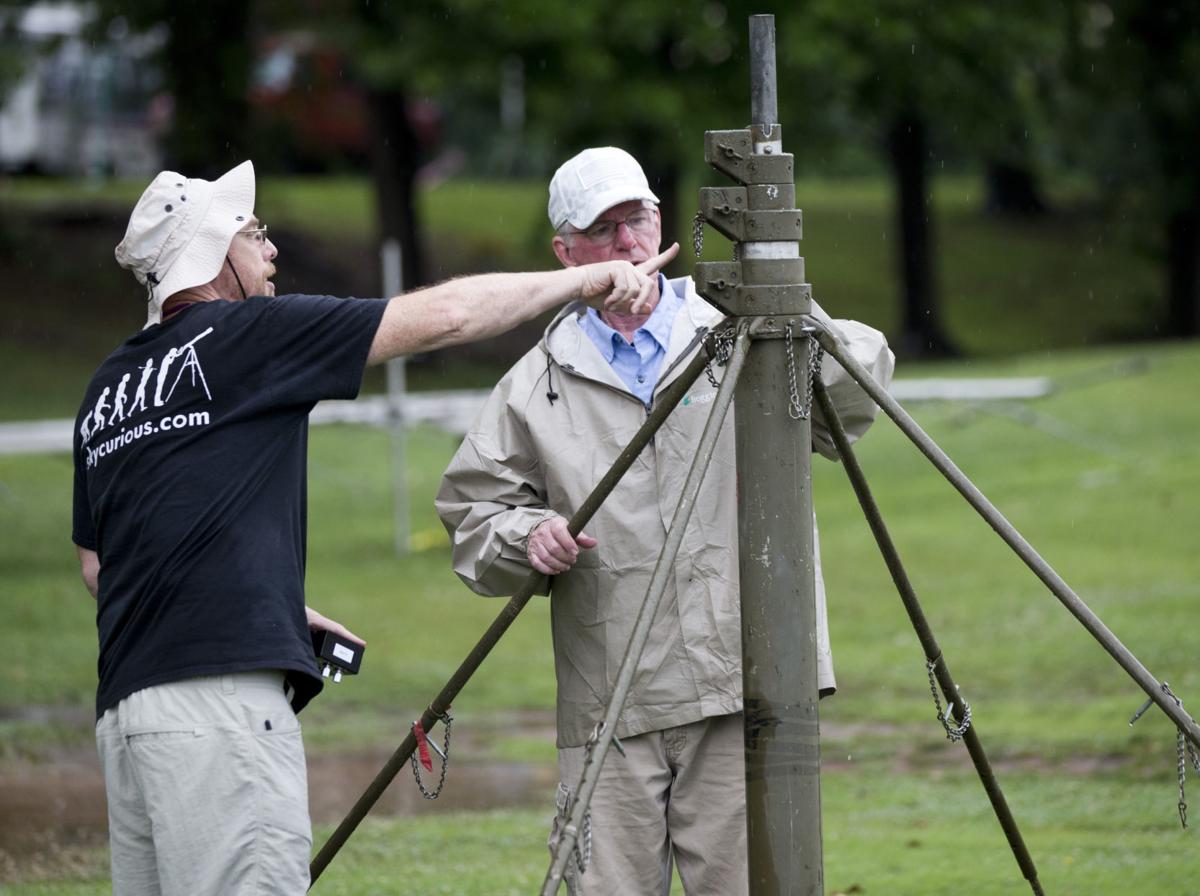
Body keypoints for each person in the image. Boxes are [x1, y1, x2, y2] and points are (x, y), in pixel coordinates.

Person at [71, 159, 676, 896]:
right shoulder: (246, 335)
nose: (271, 252)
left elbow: (102, 565)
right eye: (253, 234)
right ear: (214, 255)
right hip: (219, 709)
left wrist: (264, 603)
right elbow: (446, 317)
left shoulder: (109, 386)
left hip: (127, 717)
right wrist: (588, 281)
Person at [436, 147, 895, 895]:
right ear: (565, 253)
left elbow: (857, 396)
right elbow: (472, 515)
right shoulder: (535, 382)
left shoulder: (742, 326)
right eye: (603, 228)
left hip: (743, 686)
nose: (626, 242)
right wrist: (528, 538)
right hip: (609, 702)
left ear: (660, 222)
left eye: (637, 218)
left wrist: (781, 298)